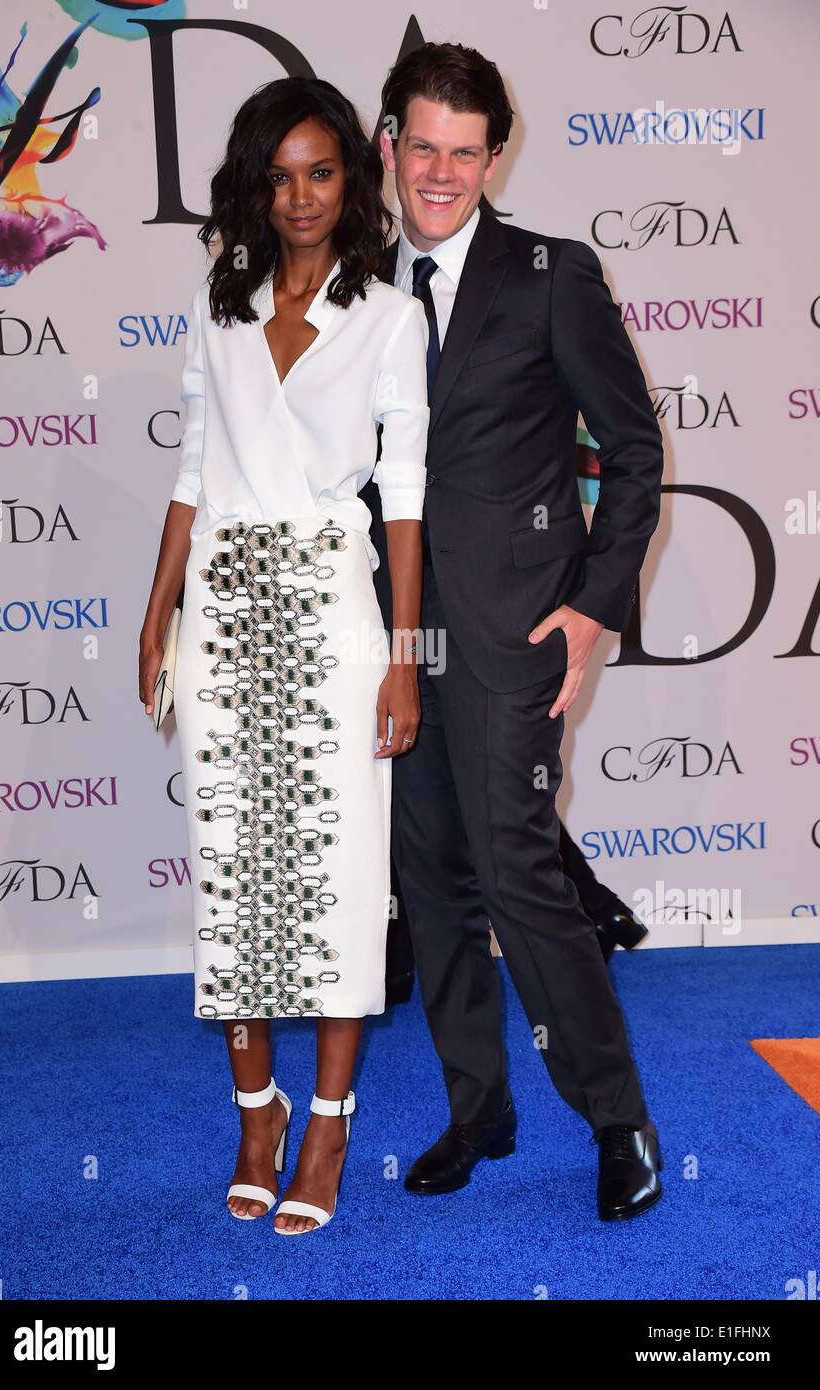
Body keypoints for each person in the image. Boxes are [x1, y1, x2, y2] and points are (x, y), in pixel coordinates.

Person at [362, 42, 665, 1221]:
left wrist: (592, 607)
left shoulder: (551, 274)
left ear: (496, 155)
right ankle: (476, 1107)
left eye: (463, 152)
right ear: (390, 146)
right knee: (429, 883)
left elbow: (634, 454)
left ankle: (615, 1116)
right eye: (420, 146)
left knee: (520, 874)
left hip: (510, 637)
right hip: (393, 644)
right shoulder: (355, 286)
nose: (439, 172)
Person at [139, 76, 429, 1234]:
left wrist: (403, 656)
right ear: (254, 186)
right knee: (240, 877)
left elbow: (401, 499)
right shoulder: (217, 304)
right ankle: (253, 1106)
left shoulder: (391, 319)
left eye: (321, 172)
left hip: (333, 615)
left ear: (350, 180)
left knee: (345, 878)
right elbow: (192, 474)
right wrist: (156, 612)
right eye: (280, 175)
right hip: (223, 613)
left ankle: (327, 1119)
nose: (302, 196)